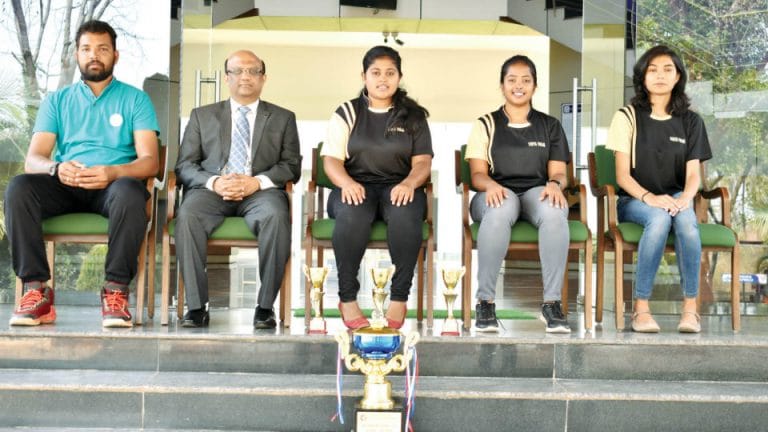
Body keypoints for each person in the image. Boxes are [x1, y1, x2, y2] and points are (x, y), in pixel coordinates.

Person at [4, 20, 160, 328]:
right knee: (20, 187)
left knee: (131, 192)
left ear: (115, 55)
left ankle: (116, 292)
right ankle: (36, 292)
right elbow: (34, 158)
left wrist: (113, 171)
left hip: (112, 187)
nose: (94, 55)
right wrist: (56, 168)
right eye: (86, 49)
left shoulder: (135, 99)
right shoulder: (57, 100)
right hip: (66, 183)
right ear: (77, 54)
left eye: (102, 49)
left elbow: (150, 162)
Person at [174, 50, 301, 329]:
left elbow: (291, 166)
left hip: (261, 192)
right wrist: (215, 182)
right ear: (226, 77)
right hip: (211, 192)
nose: (245, 76)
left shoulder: (282, 118)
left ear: (263, 78)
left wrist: (256, 182)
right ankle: (197, 306)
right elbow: (184, 166)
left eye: (253, 71)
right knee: (188, 215)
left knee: (276, 217)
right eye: (237, 71)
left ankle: (265, 307)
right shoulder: (201, 116)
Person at [322, 45, 432, 330]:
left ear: (399, 76)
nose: (383, 79)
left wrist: (409, 183)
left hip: (399, 187)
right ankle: (347, 297)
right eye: (376, 73)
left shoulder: (414, 116)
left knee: (407, 213)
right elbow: (331, 160)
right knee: (352, 214)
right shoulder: (346, 112)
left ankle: (399, 297)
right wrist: (346, 182)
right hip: (355, 185)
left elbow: (422, 162)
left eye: (390, 73)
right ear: (364, 76)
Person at [607, 45, 711, 334]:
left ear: (678, 76)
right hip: (635, 199)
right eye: (652, 70)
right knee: (659, 218)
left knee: (688, 223)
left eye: (668, 69)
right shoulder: (627, 116)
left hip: (677, 196)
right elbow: (622, 176)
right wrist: (651, 198)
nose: (660, 76)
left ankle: (691, 309)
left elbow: (693, 175)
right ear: (642, 77)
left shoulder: (692, 121)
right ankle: (641, 310)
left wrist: (686, 200)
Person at [465, 55, 571, 333]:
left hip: (535, 193)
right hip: (494, 193)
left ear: (535, 86)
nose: (519, 85)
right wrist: (491, 185)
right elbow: (476, 174)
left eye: (526, 80)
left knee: (554, 211)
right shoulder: (485, 124)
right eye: (512, 80)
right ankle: (485, 301)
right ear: (502, 85)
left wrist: (555, 185)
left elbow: (559, 173)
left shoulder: (550, 126)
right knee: (501, 209)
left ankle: (552, 303)